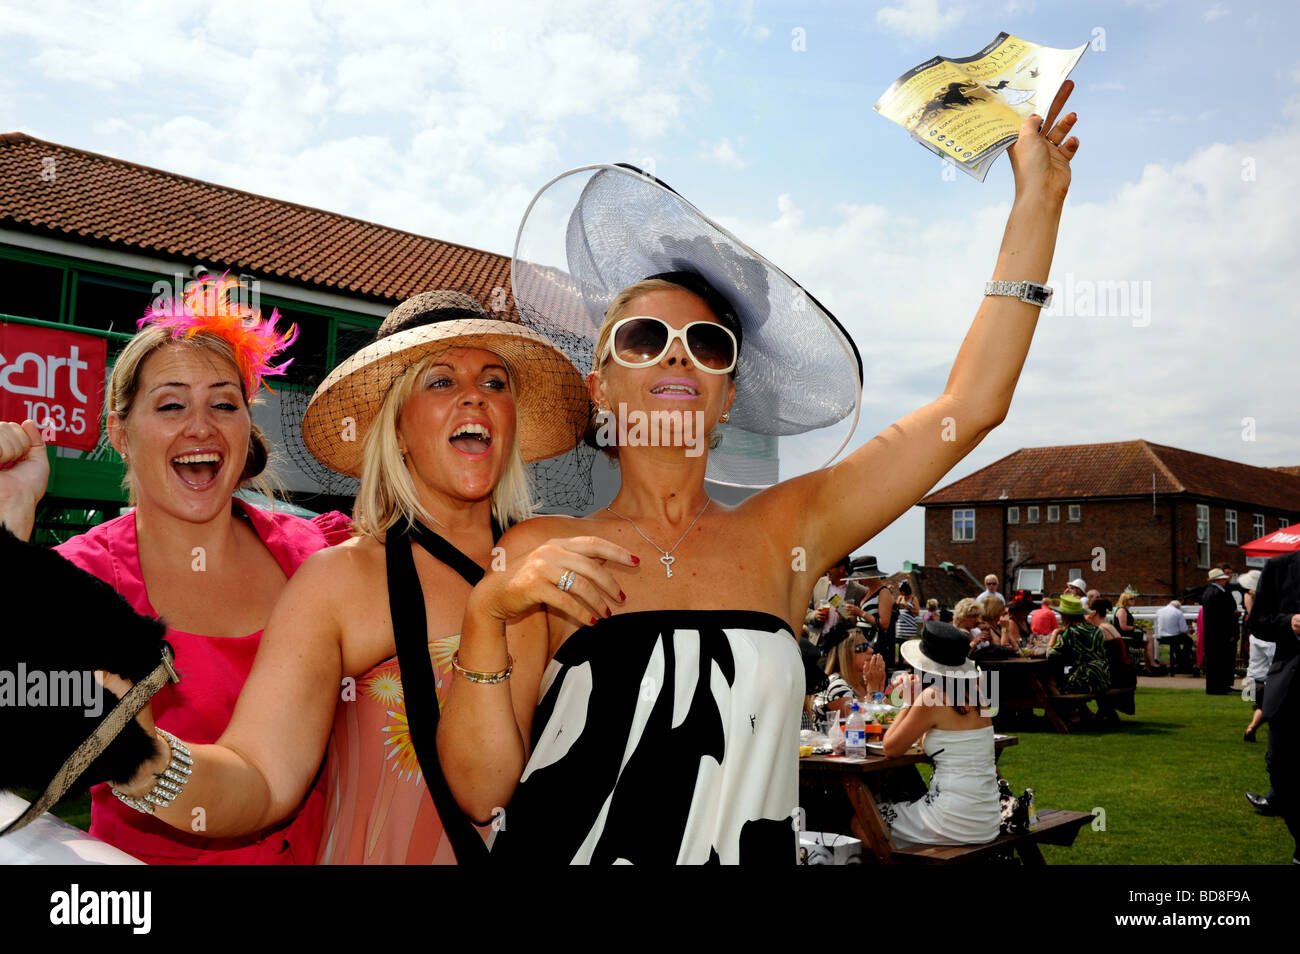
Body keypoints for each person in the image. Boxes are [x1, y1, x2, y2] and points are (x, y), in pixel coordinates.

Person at [439, 89, 1082, 864]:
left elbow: (971, 406)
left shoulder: (789, 532)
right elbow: (480, 792)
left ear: (727, 396)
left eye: (708, 344)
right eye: (645, 337)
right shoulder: (541, 550)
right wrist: (486, 614)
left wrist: (1037, 203)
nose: (678, 354)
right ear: (600, 386)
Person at [93, 290, 589, 864]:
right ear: (396, 427)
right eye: (440, 381)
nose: (474, 396)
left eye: (494, 383)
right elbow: (262, 777)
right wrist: (145, 763)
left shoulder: (561, 560)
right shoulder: (339, 579)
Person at [0, 276, 352, 864]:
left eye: (223, 403)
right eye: (170, 405)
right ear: (120, 434)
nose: (201, 426)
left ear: (246, 429)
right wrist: (9, 522)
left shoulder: (320, 556)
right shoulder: (78, 578)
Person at [875, 621, 1001, 846]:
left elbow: (890, 748)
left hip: (953, 818)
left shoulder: (932, 698)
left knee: (865, 822)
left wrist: (907, 703)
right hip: (986, 817)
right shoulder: (978, 695)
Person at [1246, 549, 1300, 863]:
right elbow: (1258, 623)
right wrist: (1288, 621)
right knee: (1282, 770)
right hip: (1291, 687)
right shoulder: (1281, 567)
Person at [813, 637, 887, 725]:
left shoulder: (862, 682)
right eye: (863, 647)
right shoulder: (836, 686)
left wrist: (882, 687)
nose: (871, 650)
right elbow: (864, 724)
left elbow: (889, 716)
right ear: (846, 654)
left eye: (869, 645)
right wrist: (873, 688)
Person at [1048, 592, 1110, 697]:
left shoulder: (1072, 632)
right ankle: (1084, 712)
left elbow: (1050, 654)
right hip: (1103, 678)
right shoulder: (1096, 630)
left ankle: (1066, 712)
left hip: (1084, 679)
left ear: (1065, 616)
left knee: (1048, 681)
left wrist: (1055, 633)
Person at [804, 554, 869, 650]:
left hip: (844, 646)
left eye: (830, 567)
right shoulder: (817, 584)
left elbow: (861, 621)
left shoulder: (860, 591)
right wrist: (814, 615)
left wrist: (847, 616)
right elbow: (802, 610)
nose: (826, 570)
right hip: (818, 643)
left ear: (841, 568)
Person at [1239, 570, 1272, 744]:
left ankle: (1252, 728)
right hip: (1263, 679)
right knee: (1267, 709)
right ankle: (1252, 728)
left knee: (1261, 707)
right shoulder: (1266, 637)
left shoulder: (1253, 635)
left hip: (1253, 678)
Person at [1202, 567, 1239, 695]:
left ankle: (1219, 686)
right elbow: (1221, 616)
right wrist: (1233, 615)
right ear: (1218, 580)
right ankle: (1218, 687)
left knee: (1217, 661)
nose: (1225, 580)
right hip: (1219, 633)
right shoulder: (1217, 593)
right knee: (1218, 661)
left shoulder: (1211, 592)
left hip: (1214, 633)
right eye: (1223, 579)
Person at [1155, 599, 1193, 673]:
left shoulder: (1159, 611)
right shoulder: (1178, 612)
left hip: (1161, 637)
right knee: (1189, 641)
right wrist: (1189, 630)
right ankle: (1183, 662)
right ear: (1178, 606)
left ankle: (1180, 662)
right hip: (1174, 637)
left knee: (1177, 644)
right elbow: (1183, 629)